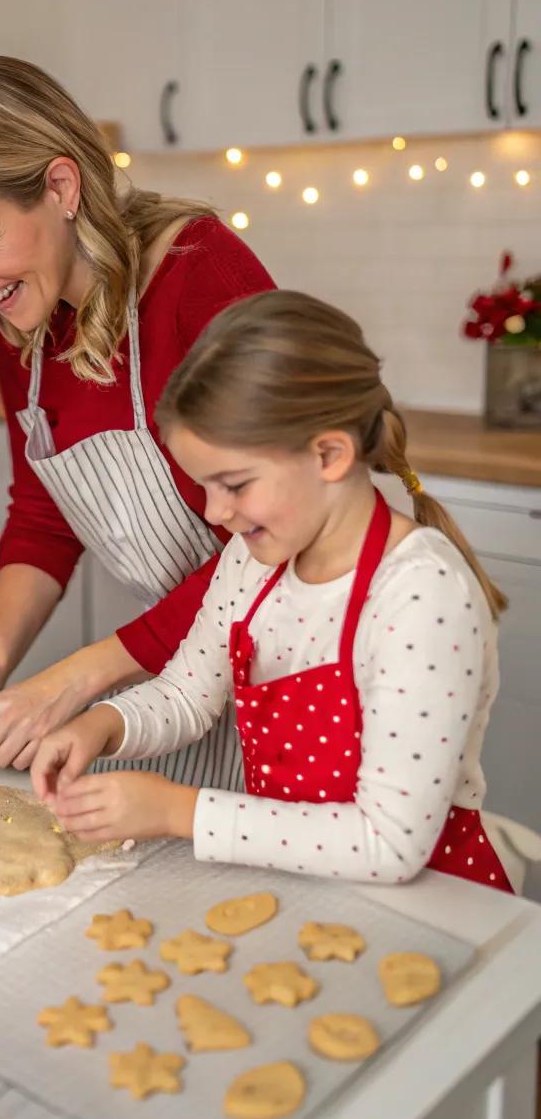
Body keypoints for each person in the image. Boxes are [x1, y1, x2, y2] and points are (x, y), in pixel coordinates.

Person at [0, 54, 273, 785]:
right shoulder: (22, 321)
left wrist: (81, 675)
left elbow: (271, 541)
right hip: (177, 677)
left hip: (295, 670)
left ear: (60, 186)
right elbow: (43, 516)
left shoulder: (200, 273)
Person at [30, 290, 512, 891]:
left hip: (432, 901)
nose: (215, 511)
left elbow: (389, 842)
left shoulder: (421, 594)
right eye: (204, 485)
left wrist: (179, 811)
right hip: (297, 883)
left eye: (234, 483)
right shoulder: (251, 562)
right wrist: (100, 724)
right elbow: (185, 695)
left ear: (330, 454)